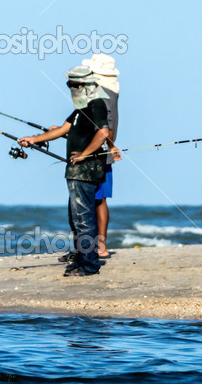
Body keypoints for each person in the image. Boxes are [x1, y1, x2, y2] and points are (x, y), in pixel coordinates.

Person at [18, 66, 110, 276]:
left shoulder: (96, 104)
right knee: (75, 219)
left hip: (85, 171)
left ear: (82, 85)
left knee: (84, 219)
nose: (70, 88)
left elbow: (104, 132)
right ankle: (81, 259)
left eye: (72, 85)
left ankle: (89, 265)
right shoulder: (81, 109)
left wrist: (84, 154)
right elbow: (62, 129)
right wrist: (33, 139)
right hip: (75, 172)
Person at [82, 53, 121, 259]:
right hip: (103, 152)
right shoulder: (112, 91)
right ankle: (99, 246)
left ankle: (96, 247)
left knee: (92, 200)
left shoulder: (100, 94)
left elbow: (106, 127)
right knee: (100, 200)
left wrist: (109, 146)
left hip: (96, 153)